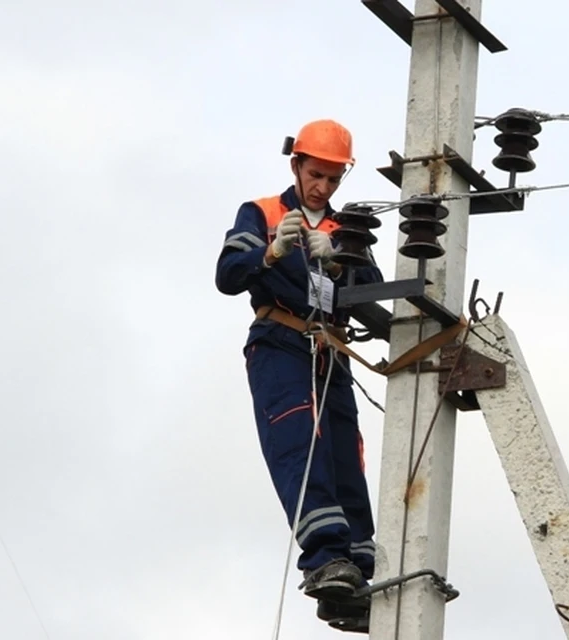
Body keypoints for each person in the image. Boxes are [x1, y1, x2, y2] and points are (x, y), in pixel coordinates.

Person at [214, 119, 384, 627]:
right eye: (316, 175)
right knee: (300, 445)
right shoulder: (263, 212)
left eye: (333, 180)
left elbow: (372, 298)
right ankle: (324, 558)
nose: (323, 188)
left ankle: (352, 573)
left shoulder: (344, 231)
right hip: (281, 342)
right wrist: (271, 252)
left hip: (329, 352)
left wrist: (340, 266)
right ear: (297, 166)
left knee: (343, 458)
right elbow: (227, 275)